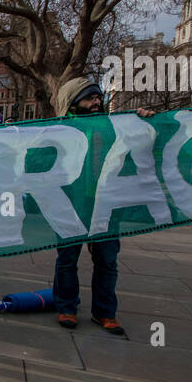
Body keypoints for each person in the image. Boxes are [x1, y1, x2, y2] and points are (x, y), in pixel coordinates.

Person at [52, 77, 155, 332]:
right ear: (73, 104)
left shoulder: (115, 127)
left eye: (98, 96)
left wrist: (149, 121)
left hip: (108, 206)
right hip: (71, 205)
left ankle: (105, 312)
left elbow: (149, 142)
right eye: (89, 97)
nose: (97, 101)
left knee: (107, 261)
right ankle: (66, 307)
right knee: (67, 259)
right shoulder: (57, 130)